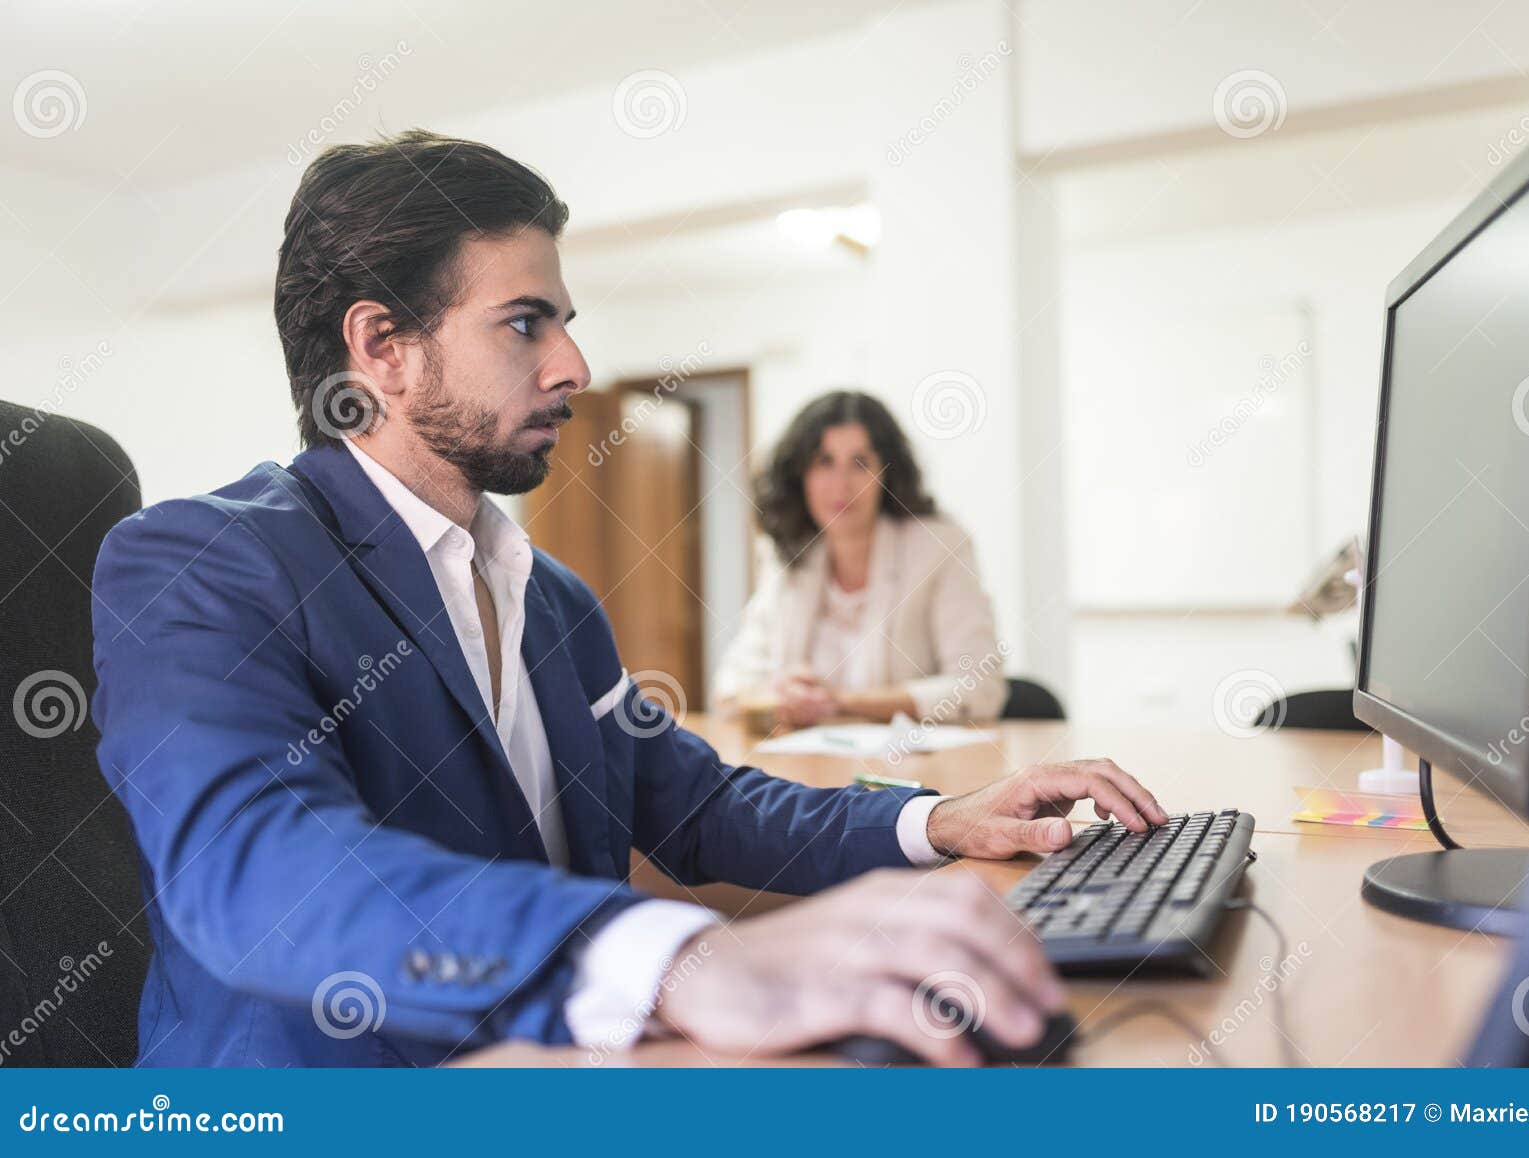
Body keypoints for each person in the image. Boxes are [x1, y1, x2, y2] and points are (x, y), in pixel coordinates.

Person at [90, 130, 1166, 1069]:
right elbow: (261, 872)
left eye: (564, 321)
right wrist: (673, 958)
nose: (573, 363)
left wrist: (939, 821)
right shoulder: (201, 562)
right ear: (381, 349)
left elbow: (694, 806)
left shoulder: (548, 599)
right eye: (525, 324)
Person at [714, 391, 1006, 727]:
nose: (841, 484)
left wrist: (839, 703)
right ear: (800, 476)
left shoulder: (939, 547)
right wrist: (779, 694)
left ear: (886, 473)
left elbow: (980, 688)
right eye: (824, 462)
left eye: (860, 463)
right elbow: (729, 687)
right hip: (805, 766)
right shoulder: (790, 556)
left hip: (907, 767)